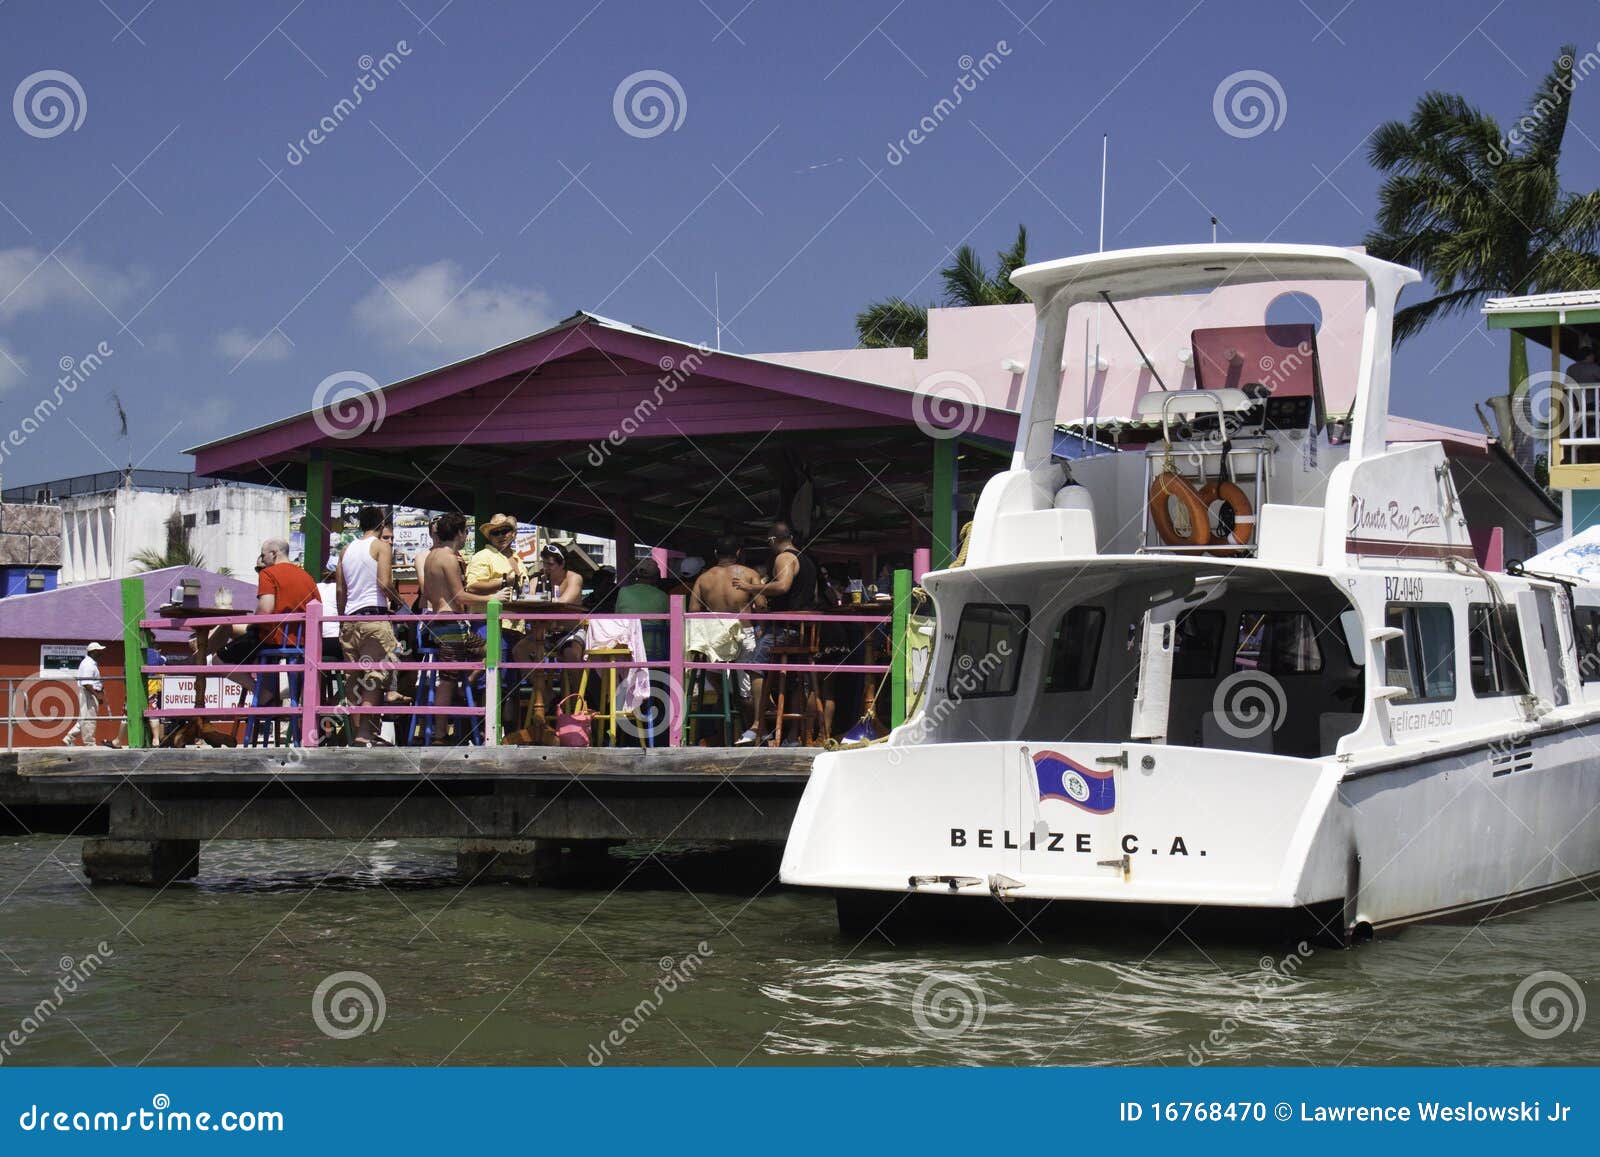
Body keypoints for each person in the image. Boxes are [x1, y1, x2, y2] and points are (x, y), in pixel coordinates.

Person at [731, 521, 817, 745]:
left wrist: (751, 587)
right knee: (797, 682)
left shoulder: (784, 557)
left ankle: (759, 725)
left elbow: (782, 586)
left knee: (756, 666)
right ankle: (792, 735)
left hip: (786, 629)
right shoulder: (806, 559)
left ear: (772, 540)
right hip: (803, 629)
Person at [420, 513, 493, 743]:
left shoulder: (432, 556)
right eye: (465, 532)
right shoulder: (449, 558)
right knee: (448, 678)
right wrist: (494, 597)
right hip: (450, 624)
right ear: (459, 533)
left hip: (436, 623)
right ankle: (440, 734)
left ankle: (467, 683)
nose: (466, 536)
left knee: (491, 650)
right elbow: (459, 595)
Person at [337, 507, 401, 747]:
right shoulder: (381, 547)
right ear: (381, 523)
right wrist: (400, 602)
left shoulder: (346, 549)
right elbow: (384, 583)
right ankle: (365, 735)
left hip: (350, 621)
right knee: (375, 677)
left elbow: (341, 590)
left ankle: (360, 736)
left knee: (354, 680)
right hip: (374, 618)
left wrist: (344, 618)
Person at [62, 642, 105, 746]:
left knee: (85, 717)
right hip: (89, 693)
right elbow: (87, 684)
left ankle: (69, 738)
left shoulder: (89, 663)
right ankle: (89, 742)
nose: (101, 653)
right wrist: (96, 695)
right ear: (94, 652)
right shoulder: (88, 664)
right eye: (99, 651)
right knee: (89, 718)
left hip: (89, 693)